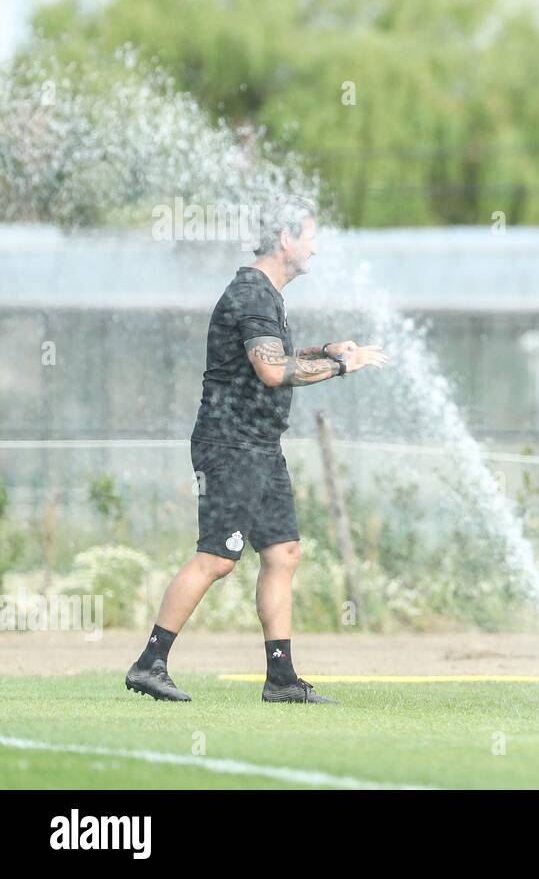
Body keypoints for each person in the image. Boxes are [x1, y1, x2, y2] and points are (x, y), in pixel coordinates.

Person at [125, 196, 387, 703]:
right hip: (231, 444)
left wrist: (324, 350)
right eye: (310, 236)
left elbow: (273, 358)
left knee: (284, 553)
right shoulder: (251, 293)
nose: (315, 248)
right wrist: (340, 368)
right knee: (218, 558)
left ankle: (282, 679)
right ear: (286, 241)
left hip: (261, 446)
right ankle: (149, 664)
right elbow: (271, 371)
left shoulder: (267, 295)